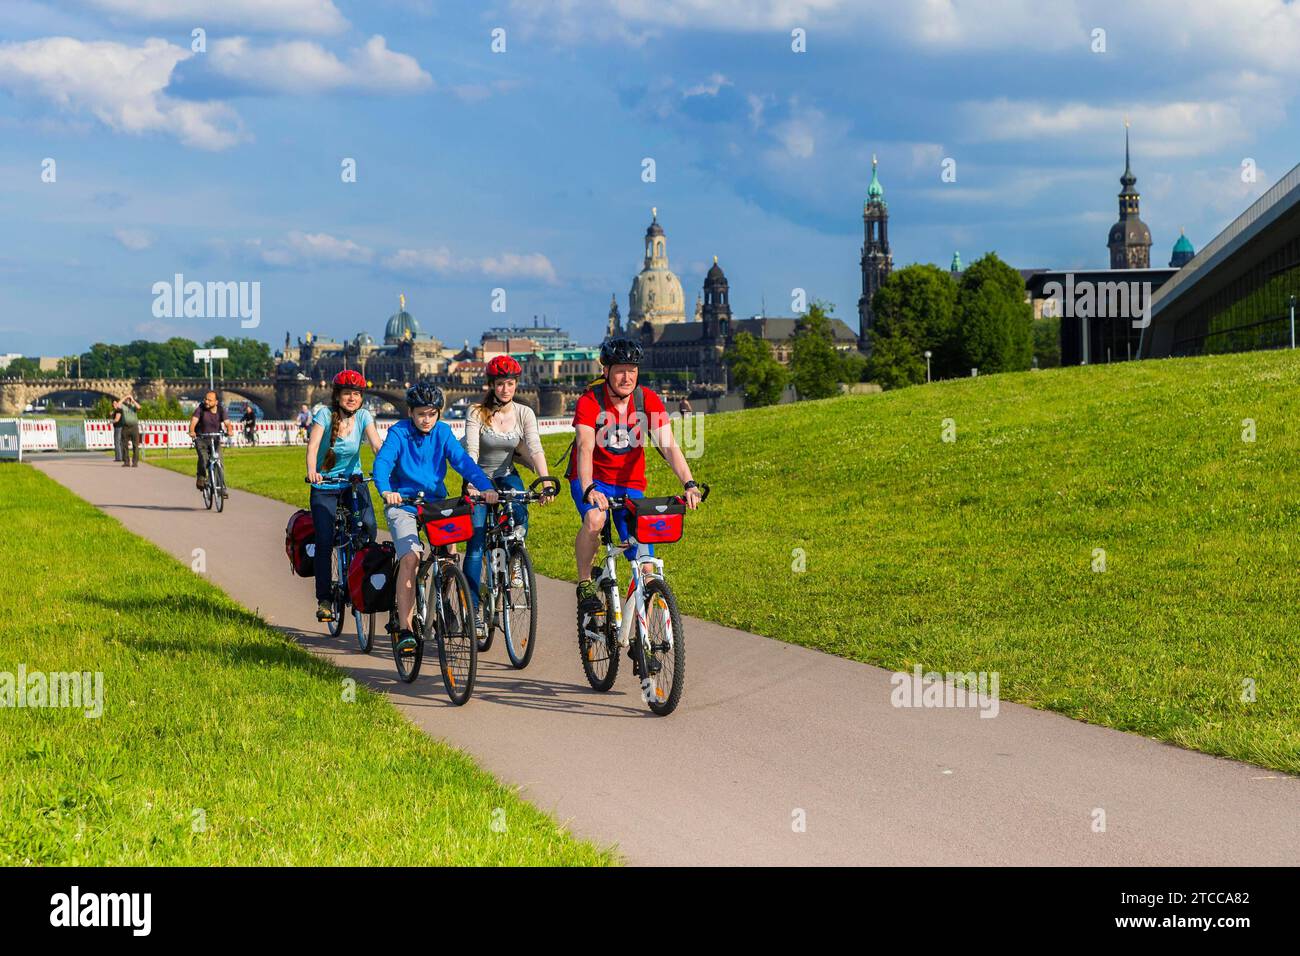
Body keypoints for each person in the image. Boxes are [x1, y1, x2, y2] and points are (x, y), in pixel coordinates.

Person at [569, 335, 703, 617]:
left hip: (630, 485)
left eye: (632, 370)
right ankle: (584, 584)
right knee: (595, 519)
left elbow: (669, 445)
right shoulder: (590, 401)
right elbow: (584, 446)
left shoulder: (646, 400)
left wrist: (689, 483)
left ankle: (642, 640)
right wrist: (589, 487)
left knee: (647, 567)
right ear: (605, 371)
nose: (626, 377)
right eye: (619, 370)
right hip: (591, 479)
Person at [373, 382, 498, 658]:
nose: (426, 420)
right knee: (411, 558)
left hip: (434, 501)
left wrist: (485, 485)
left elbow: (462, 461)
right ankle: (406, 629)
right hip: (402, 502)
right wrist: (386, 491)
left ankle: (442, 604)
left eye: (431, 414)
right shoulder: (399, 433)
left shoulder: (442, 432)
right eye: (420, 414)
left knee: (450, 553)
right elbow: (382, 463)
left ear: (438, 414)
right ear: (411, 413)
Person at [461, 355, 555, 636]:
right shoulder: (476, 412)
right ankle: (474, 610)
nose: (505, 389)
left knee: (520, 503)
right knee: (476, 543)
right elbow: (472, 452)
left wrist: (545, 480)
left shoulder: (524, 413)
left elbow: (535, 447)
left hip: (505, 474)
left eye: (510, 383)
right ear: (491, 385)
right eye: (500, 384)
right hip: (478, 476)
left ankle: (513, 556)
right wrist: (474, 483)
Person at [305, 370, 384, 622]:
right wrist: (312, 471)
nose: (352, 398)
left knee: (369, 529)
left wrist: (385, 468)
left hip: (353, 483)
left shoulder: (363, 416)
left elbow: (376, 445)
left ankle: (358, 578)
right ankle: (325, 599)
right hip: (325, 486)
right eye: (347, 393)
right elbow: (313, 446)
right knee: (325, 541)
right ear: (337, 395)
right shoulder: (324, 415)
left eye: (357, 394)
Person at [188, 391, 234, 492]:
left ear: (216, 402)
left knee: (219, 462)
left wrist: (229, 430)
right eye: (206, 399)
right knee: (204, 459)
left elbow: (227, 422)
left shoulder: (221, 410)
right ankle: (201, 477)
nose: (206, 401)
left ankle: (219, 487)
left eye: (209, 400)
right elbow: (193, 422)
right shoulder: (200, 409)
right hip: (201, 439)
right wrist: (192, 431)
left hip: (215, 439)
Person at [117, 394, 141, 467]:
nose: (128, 401)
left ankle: (135, 462)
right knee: (124, 445)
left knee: (135, 445)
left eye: (129, 400)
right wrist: (125, 397)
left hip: (134, 427)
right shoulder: (123, 407)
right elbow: (118, 405)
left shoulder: (134, 407)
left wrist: (132, 399)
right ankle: (126, 461)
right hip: (125, 427)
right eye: (127, 400)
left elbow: (139, 407)